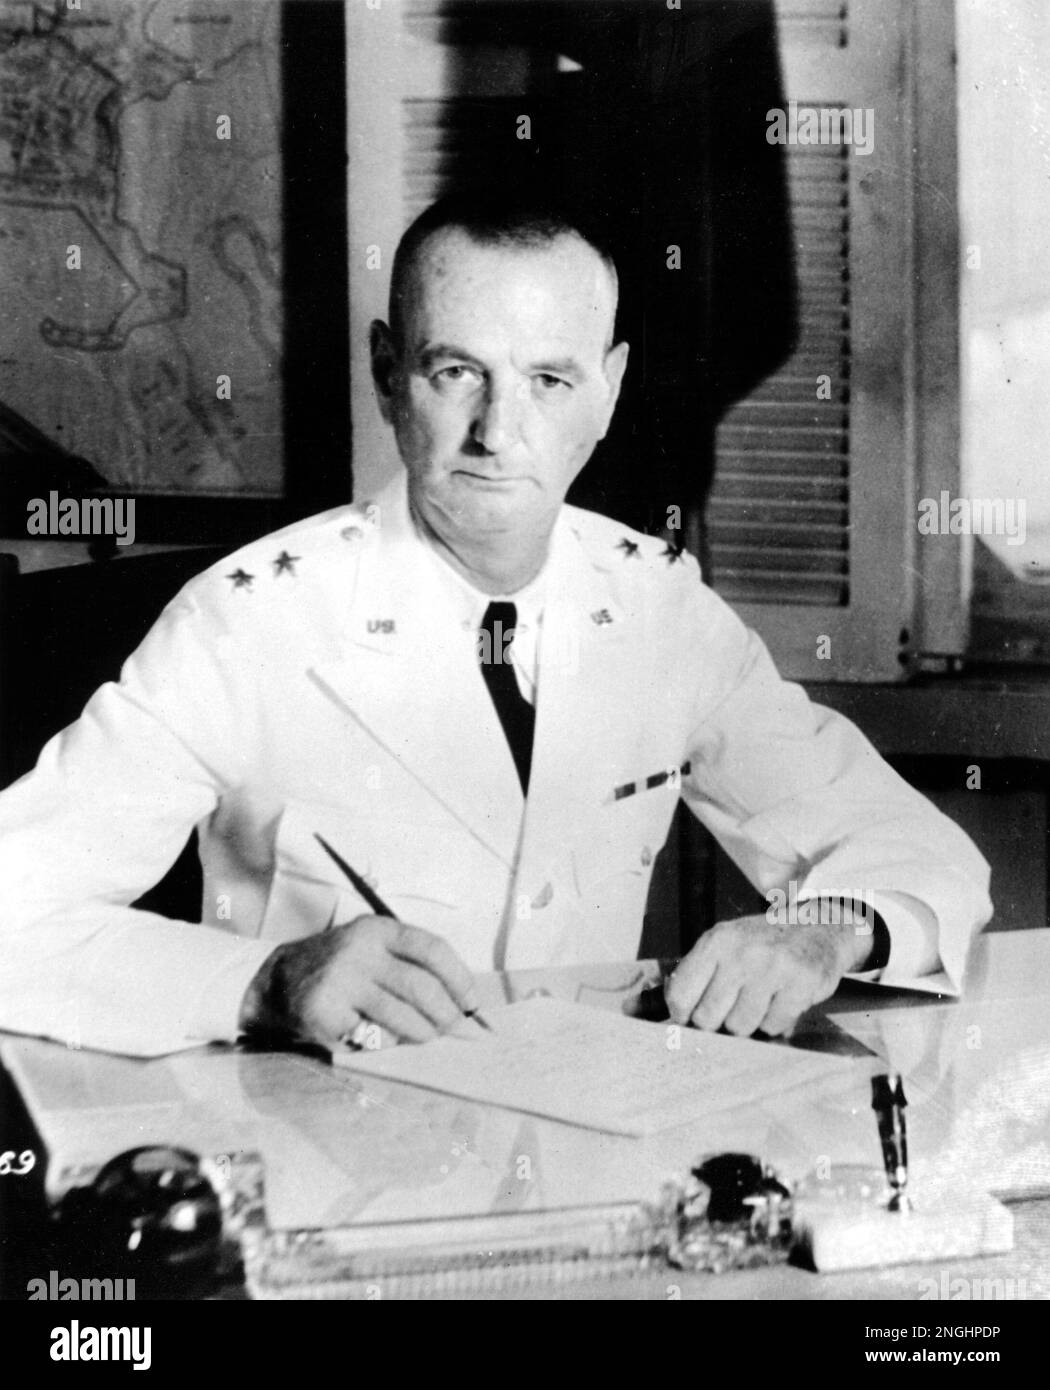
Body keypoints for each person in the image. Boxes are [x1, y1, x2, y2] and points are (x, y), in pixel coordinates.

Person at [0, 193, 991, 1057]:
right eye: (455, 372)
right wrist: (262, 984)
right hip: (314, 1158)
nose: (496, 430)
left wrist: (823, 928)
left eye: (549, 381)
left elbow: (919, 849)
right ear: (388, 372)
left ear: (606, 392)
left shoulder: (658, 608)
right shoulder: (245, 622)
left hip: (585, 1148)